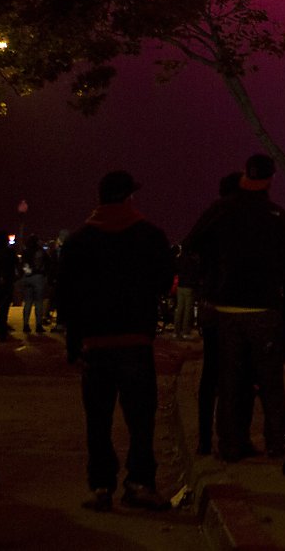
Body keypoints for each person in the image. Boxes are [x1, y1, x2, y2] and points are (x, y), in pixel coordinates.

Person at [57, 170, 173, 512]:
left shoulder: (79, 241)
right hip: (135, 340)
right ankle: (140, 483)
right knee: (140, 419)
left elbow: (66, 297)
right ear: (128, 197)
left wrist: (73, 342)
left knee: (98, 420)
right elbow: (165, 280)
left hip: (95, 343)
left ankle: (101, 486)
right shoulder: (149, 235)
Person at [184, 153, 285, 464]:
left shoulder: (221, 210)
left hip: (226, 308)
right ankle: (277, 442)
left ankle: (230, 444)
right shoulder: (276, 216)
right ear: (271, 179)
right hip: (263, 308)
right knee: (270, 380)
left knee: (230, 380)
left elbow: (192, 242)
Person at [182, 171, 242, 455]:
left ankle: (206, 439)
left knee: (211, 372)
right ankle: (231, 437)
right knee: (237, 372)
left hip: (212, 302)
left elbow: (190, 242)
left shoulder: (212, 215)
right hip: (233, 302)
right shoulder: (237, 214)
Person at [18, 234, 49, 335]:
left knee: (28, 302)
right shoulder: (40, 251)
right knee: (38, 303)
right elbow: (48, 262)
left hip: (27, 277)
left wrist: (28, 273)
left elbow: (23, 265)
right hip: (38, 277)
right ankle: (38, 325)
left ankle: (26, 325)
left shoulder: (25, 251)